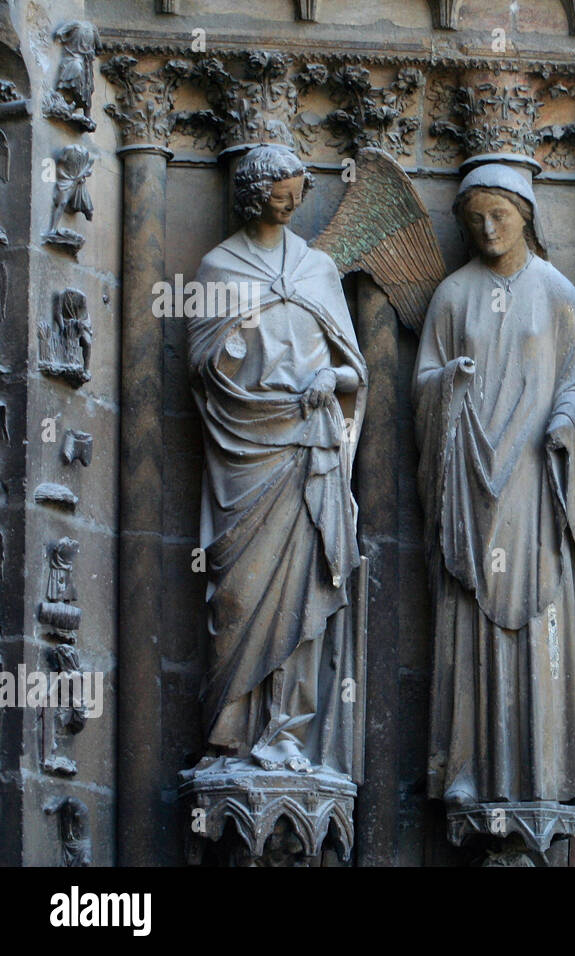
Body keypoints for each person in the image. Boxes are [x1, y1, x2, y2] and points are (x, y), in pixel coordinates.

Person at [413, 165, 575, 816]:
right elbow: (423, 380)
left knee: (541, 607)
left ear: (527, 216)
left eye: (502, 217)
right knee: (469, 615)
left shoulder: (556, 291)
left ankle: (544, 767)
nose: (489, 230)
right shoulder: (452, 295)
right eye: (475, 220)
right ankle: (469, 770)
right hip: (469, 482)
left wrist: (565, 423)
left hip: (533, 479)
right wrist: (446, 385)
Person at [188, 144, 366, 777]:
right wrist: (238, 338)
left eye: (298, 192)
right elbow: (201, 364)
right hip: (246, 448)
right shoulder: (217, 267)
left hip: (310, 445)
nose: (292, 203)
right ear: (252, 193)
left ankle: (287, 730)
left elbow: (354, 368)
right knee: (237, 593)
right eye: (280, 193)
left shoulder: (318, 267)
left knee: (305, 583)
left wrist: (331, 379)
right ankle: (230, 729)